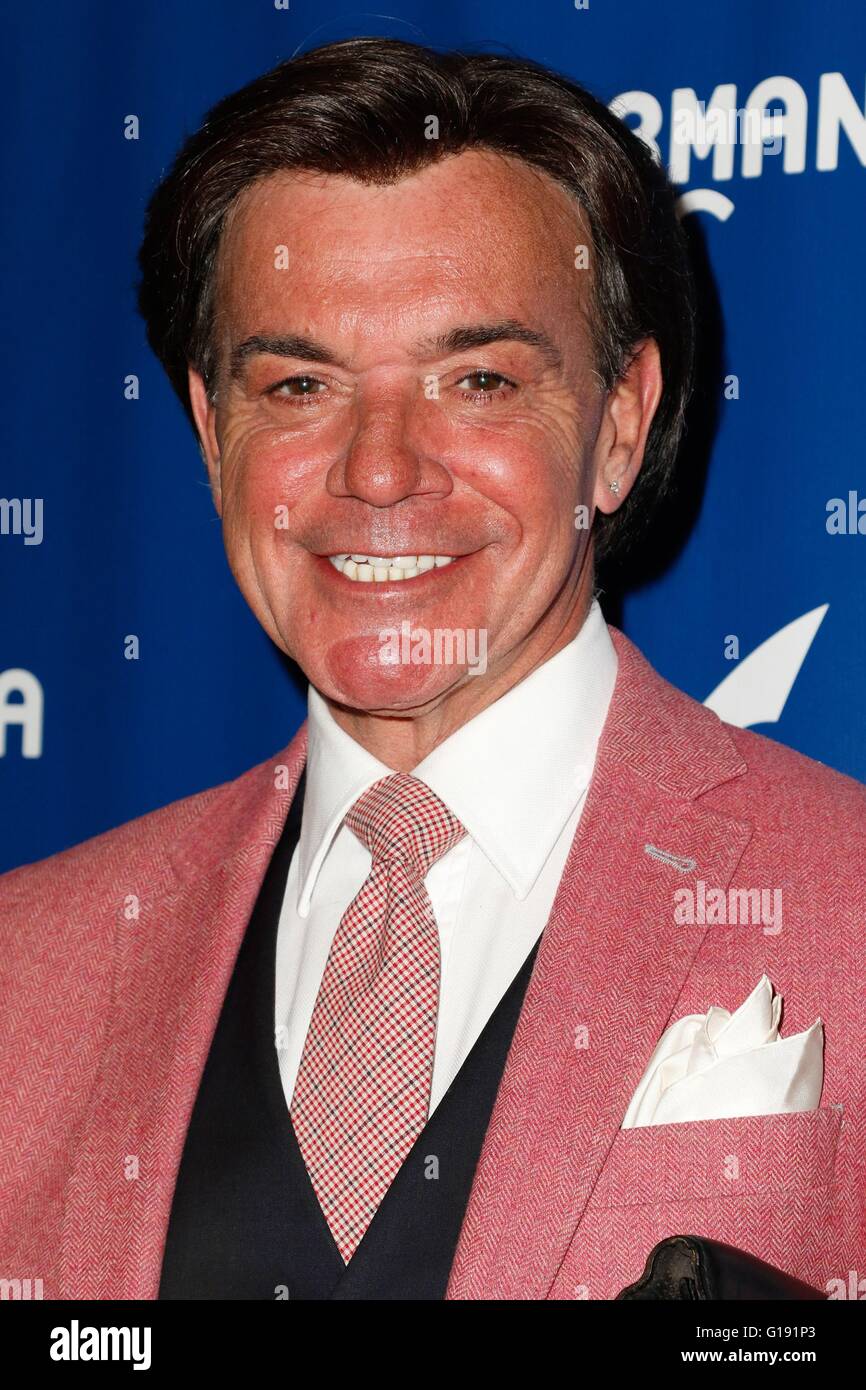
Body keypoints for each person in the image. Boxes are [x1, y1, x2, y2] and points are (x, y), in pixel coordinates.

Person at [1, 38, 863, 1301]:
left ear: (617, 428)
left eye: (476, 380)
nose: (381, 470)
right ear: (210, 431)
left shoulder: (843, 893)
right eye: (299, 384)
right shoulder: (29, 964)